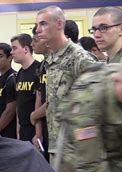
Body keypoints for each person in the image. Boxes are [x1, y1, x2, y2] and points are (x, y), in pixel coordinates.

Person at [35, 5, 96, 162]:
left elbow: (96, 105)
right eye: (37, 25)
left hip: (78, 150)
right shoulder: (51, 60)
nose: (37, 30)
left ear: (60, 24)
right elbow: (52, 102)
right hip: (56, 146)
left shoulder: (80, 58)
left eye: (43, 24)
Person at [11, 33, 40, 142]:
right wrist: (18, 132)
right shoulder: (19, 74)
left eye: (14, 48)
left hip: (35, 127)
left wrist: (38, 133)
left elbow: (40, 102)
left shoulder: (38, 69)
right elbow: (19, 104)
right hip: (23, 129)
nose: (11, 52)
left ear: (26, 49)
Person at [30, 25, 50, 161]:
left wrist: (34, 115)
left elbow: (55, 101)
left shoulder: (58, 64)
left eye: (36, 40)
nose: (32, 44)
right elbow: (39, 96)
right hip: (45, 129)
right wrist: (38, 133)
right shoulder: (41, 66)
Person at [0, 42, 17, 138]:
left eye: (0, 56)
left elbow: (10, 111)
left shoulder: (12, 78)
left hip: (10, 133)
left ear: (10, 58)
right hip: (0, 133)